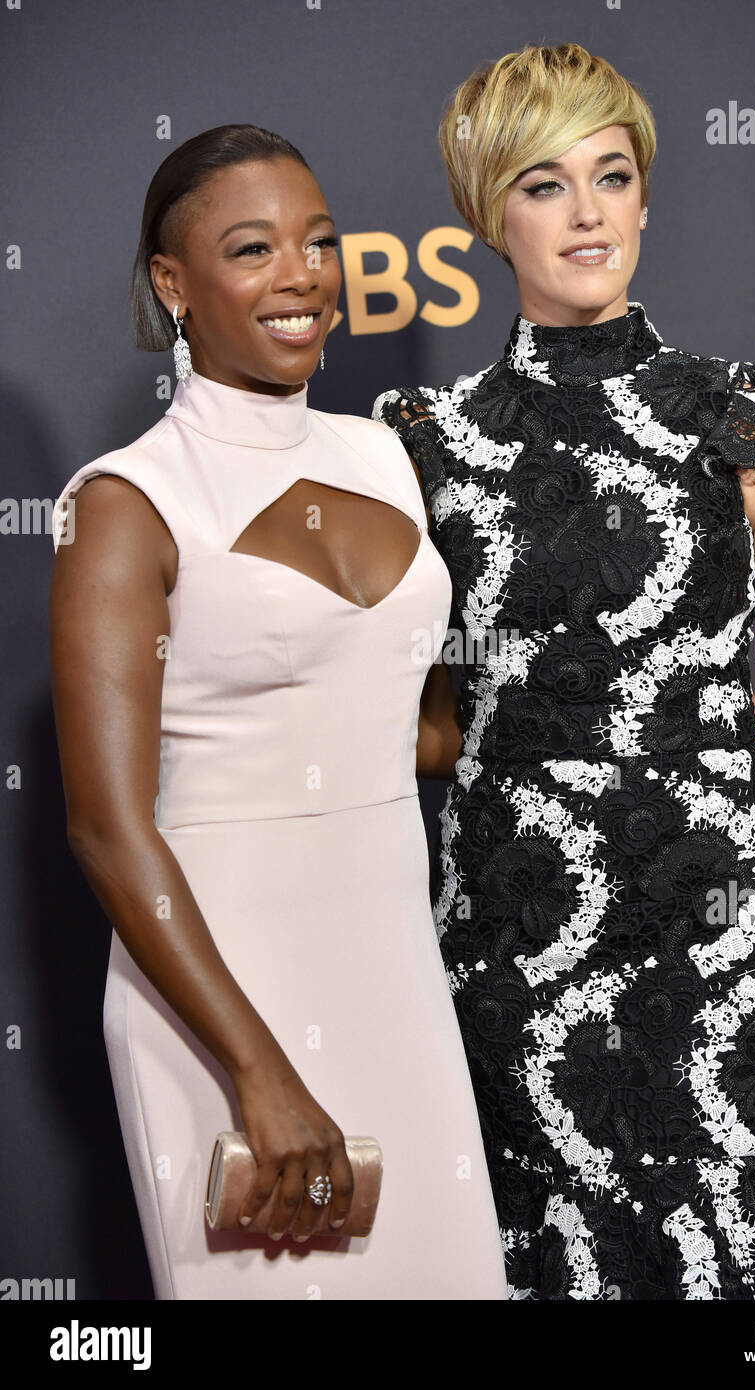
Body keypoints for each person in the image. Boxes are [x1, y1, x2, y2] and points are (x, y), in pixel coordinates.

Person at [372, 43, 755, 1300]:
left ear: (646, 194)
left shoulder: (747, 417)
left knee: (723, 1229)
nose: (587, 212)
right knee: (542, 1233)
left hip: (717, 911)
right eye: (543, 185)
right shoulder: (417, 446)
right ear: (489, 216)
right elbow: (418, 722)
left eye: (610, 175)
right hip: (514, 912)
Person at [48, 124, 507, 1300]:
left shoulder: (384, 455)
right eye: (252, 249)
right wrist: (259, 1072)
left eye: (318, 242)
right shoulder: (133, 500)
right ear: (173, 285)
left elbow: (418, 729)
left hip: (398, 973)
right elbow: (107, 828)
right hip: (218, 1000)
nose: (300, 275)